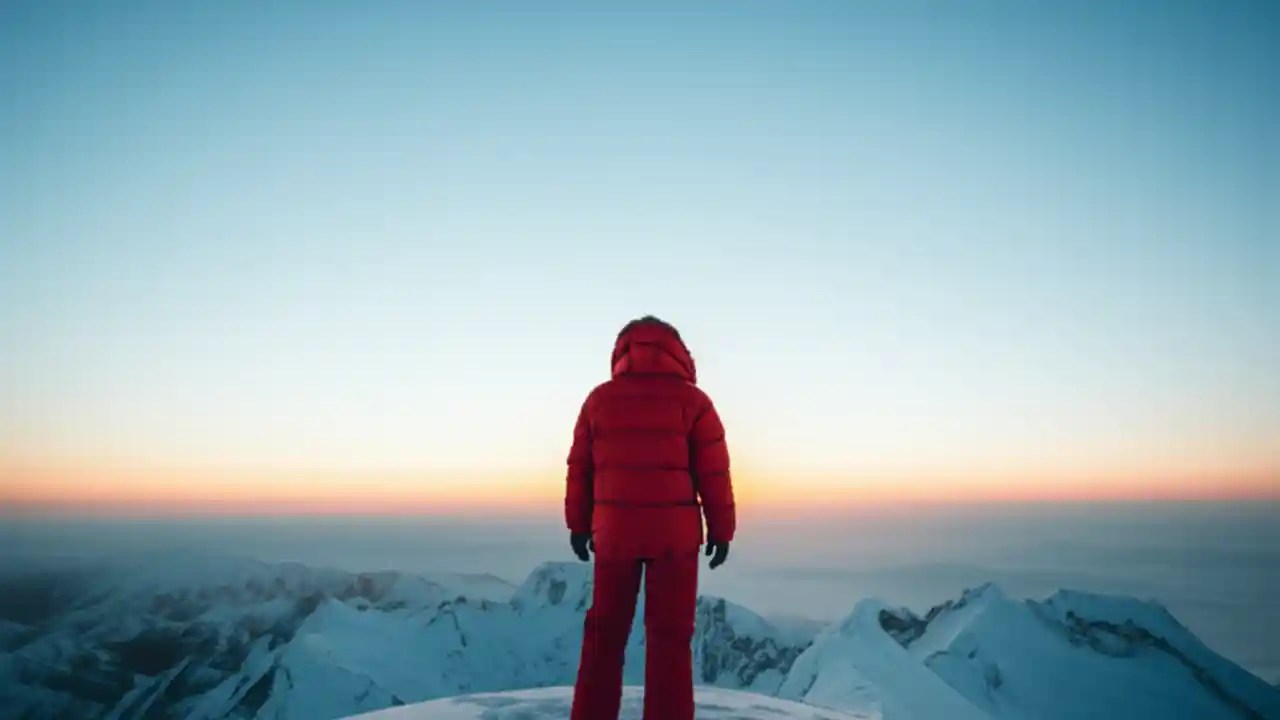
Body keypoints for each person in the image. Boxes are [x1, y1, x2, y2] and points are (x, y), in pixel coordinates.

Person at [565, 316, 736, 720]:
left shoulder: (599, 400)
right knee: (670, 643)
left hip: (614, 535)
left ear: (622, 352)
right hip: (674, 541)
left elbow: (581, 468)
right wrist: (721, 529)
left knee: (604, 637)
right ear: (678, 353)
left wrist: (578, 523)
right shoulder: (694, 402)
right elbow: (713, 471)